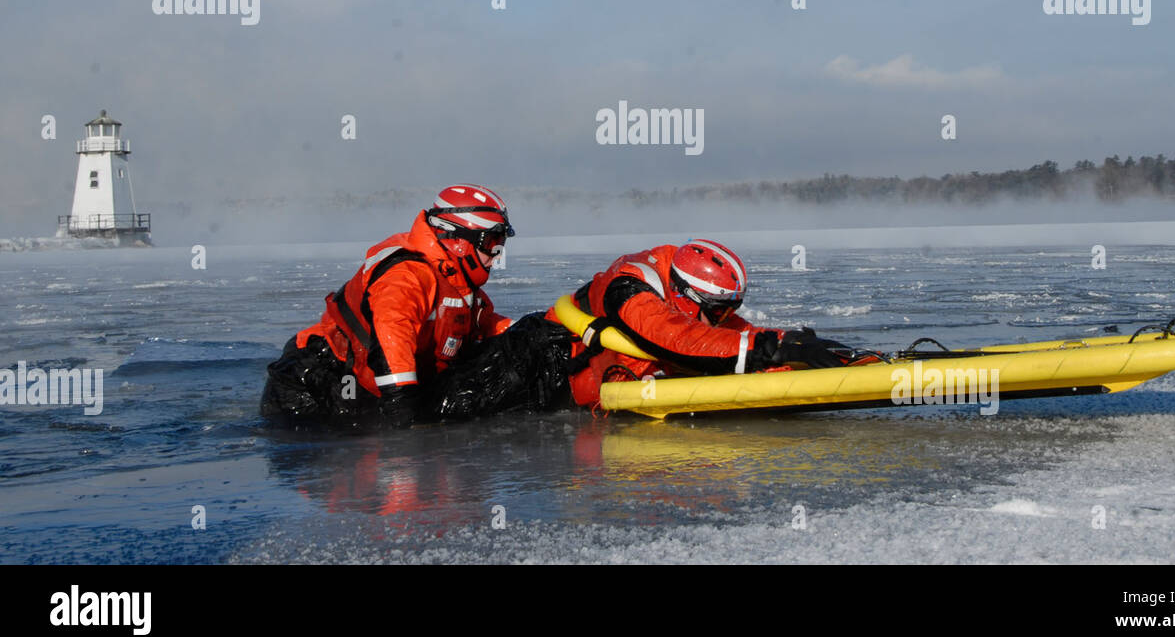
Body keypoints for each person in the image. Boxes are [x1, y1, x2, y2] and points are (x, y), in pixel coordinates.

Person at [427, 238, 850, 418]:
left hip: (579, 372)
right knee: (442, 412)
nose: (724, 319)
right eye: (717, 310)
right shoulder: (632, 289)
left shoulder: (687, 292)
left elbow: (724, 336)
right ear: (686, 293)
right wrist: (770, 348)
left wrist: (806, 351)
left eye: (729, 310)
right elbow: (673, 338)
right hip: (537, 358)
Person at [260, 184, 515, 429]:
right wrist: (401, 404)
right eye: (491, 243)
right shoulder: (407, 276)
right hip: (313, 384)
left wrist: (539, 329)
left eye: (500, 245)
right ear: (459, 240)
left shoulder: (458, 286)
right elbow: (392, 333)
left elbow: (484, 326)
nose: (496, 256)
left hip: (361, 389)